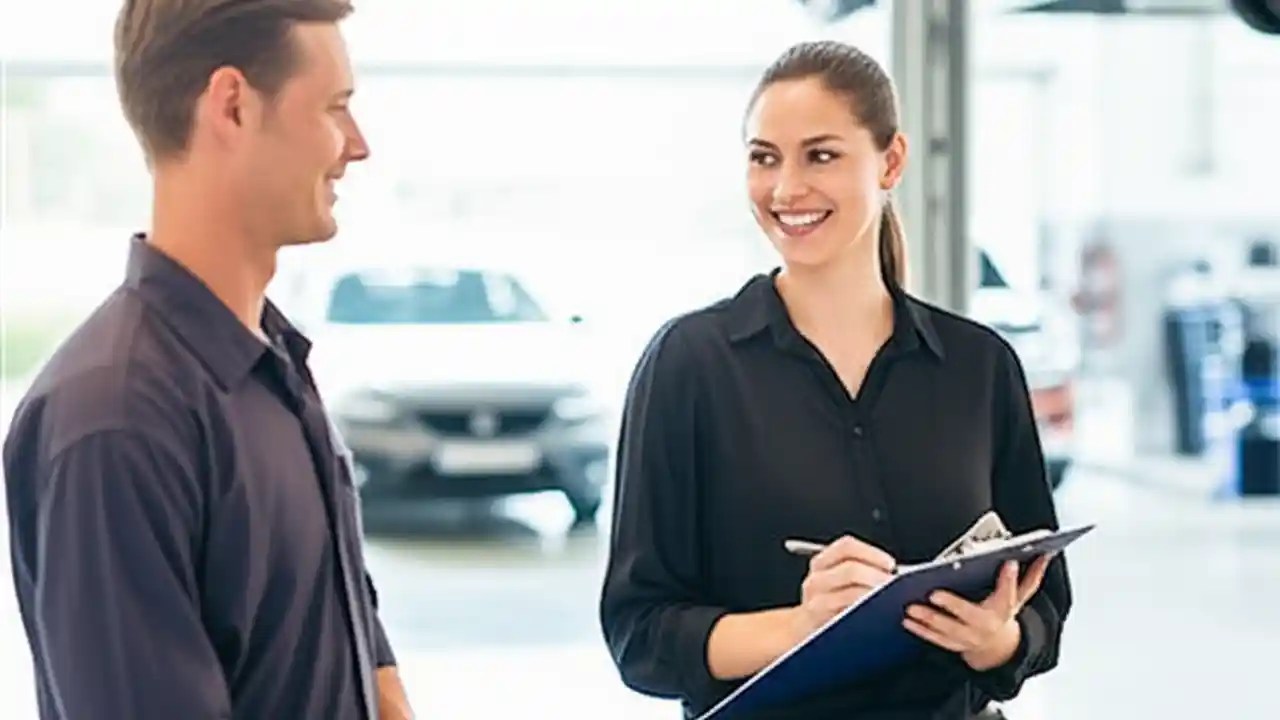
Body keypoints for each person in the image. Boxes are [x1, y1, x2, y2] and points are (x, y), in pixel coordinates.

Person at [599, 40, 1072, 720]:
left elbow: (1044, 606)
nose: (786, 188)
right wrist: (802, 625)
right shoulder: (690, 365)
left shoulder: (979, 365)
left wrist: (994, 640)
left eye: (820, 155)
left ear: (892, 161)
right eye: (765, 157)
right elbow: (639, 637)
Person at [2, 2, 414, 718]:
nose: (358, 144)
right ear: (232, 105)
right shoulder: (113, 420)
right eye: (335, 108)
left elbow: (352, 648)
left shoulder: (276, 365)